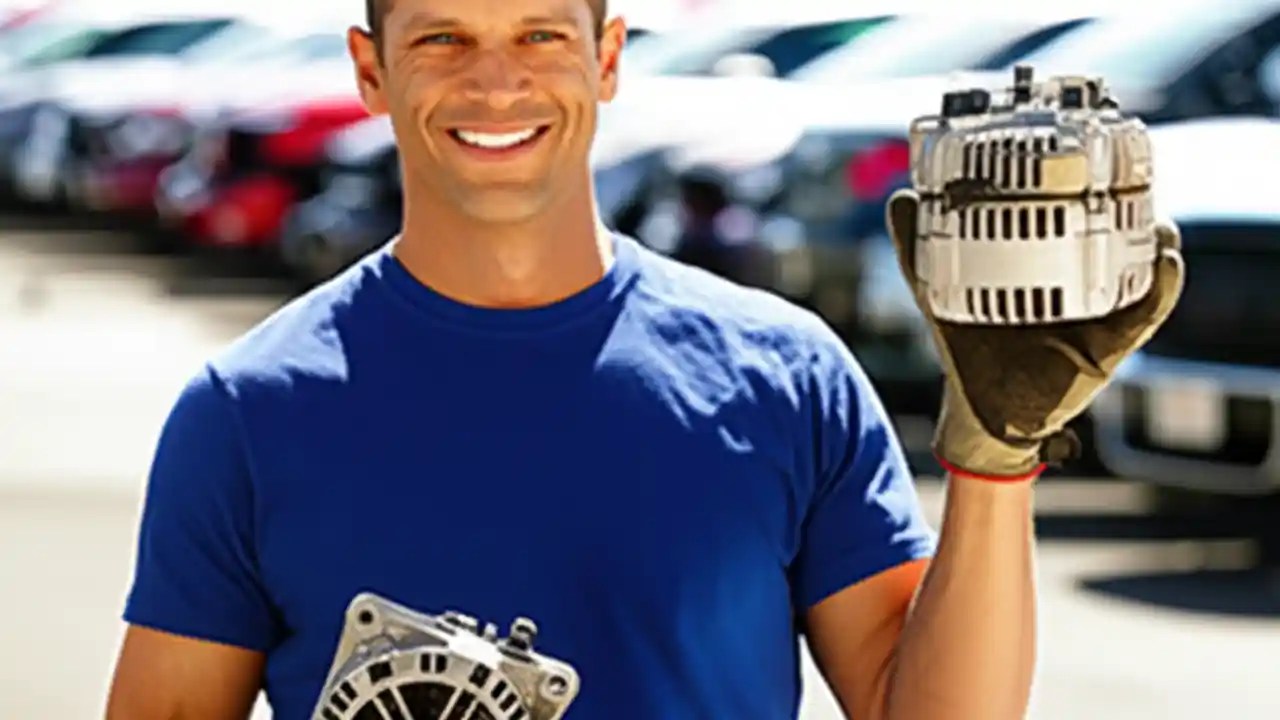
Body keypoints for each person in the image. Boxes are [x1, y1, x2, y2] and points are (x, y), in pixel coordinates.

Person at [105, 0, 1184, 718]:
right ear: (370, 69)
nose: (495, 83)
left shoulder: (784, 379)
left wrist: (994, 460)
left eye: (540, 34)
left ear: (609, 57)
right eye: (442, 38)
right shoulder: (247, 414)